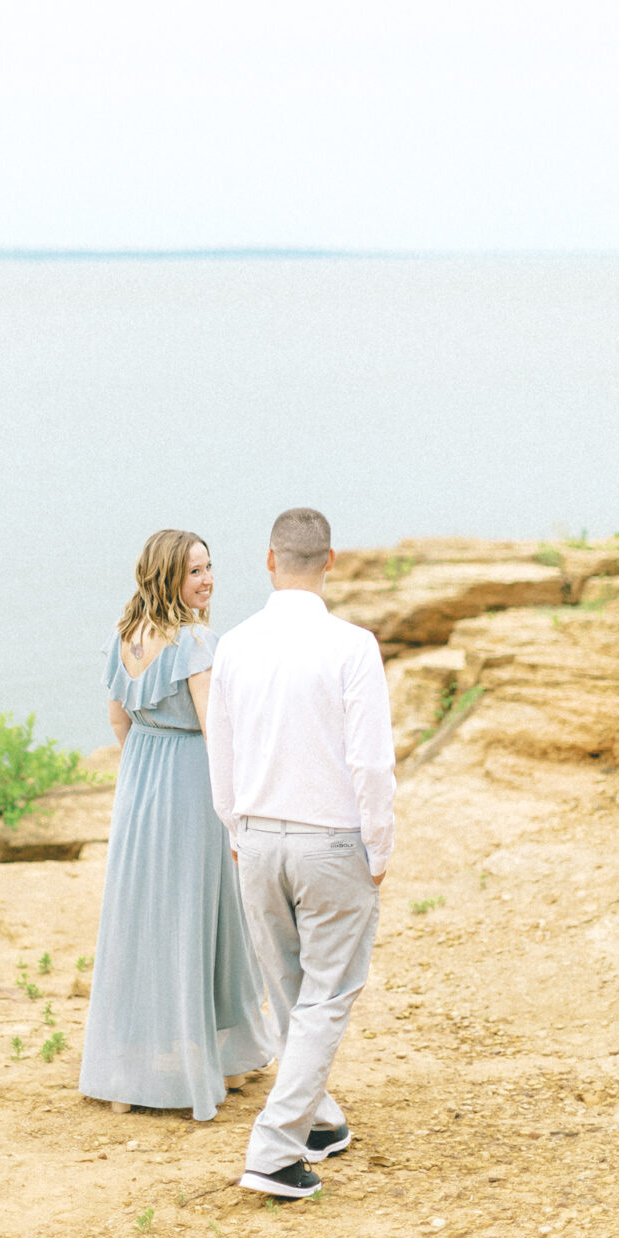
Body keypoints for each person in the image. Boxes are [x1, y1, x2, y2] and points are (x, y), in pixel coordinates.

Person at [207, 507, 395, 1199]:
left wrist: (235, 829)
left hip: (256, 838)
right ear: (331, 561)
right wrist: (380, 842)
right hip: (329, 841)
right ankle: (274, 1148)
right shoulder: (353, 645)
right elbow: (371, 763)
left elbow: (219, 753)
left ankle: (316, 1120)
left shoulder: (234, 645)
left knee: (289, 986)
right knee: (328, 993)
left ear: (269, 560)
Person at [79, 528, 272, 1122]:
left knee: (143, 916)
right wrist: (238, 805)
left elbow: (118, 722)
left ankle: (128, 1074)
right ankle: (227, 1061)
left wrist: (147, 766)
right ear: (167, 576)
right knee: (205, 913)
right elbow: (217, 729)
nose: (207, 579)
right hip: (192, 782)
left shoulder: (124, 637)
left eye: (209, 567)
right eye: (194, 571)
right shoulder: (195, 641)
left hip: (141, 781)